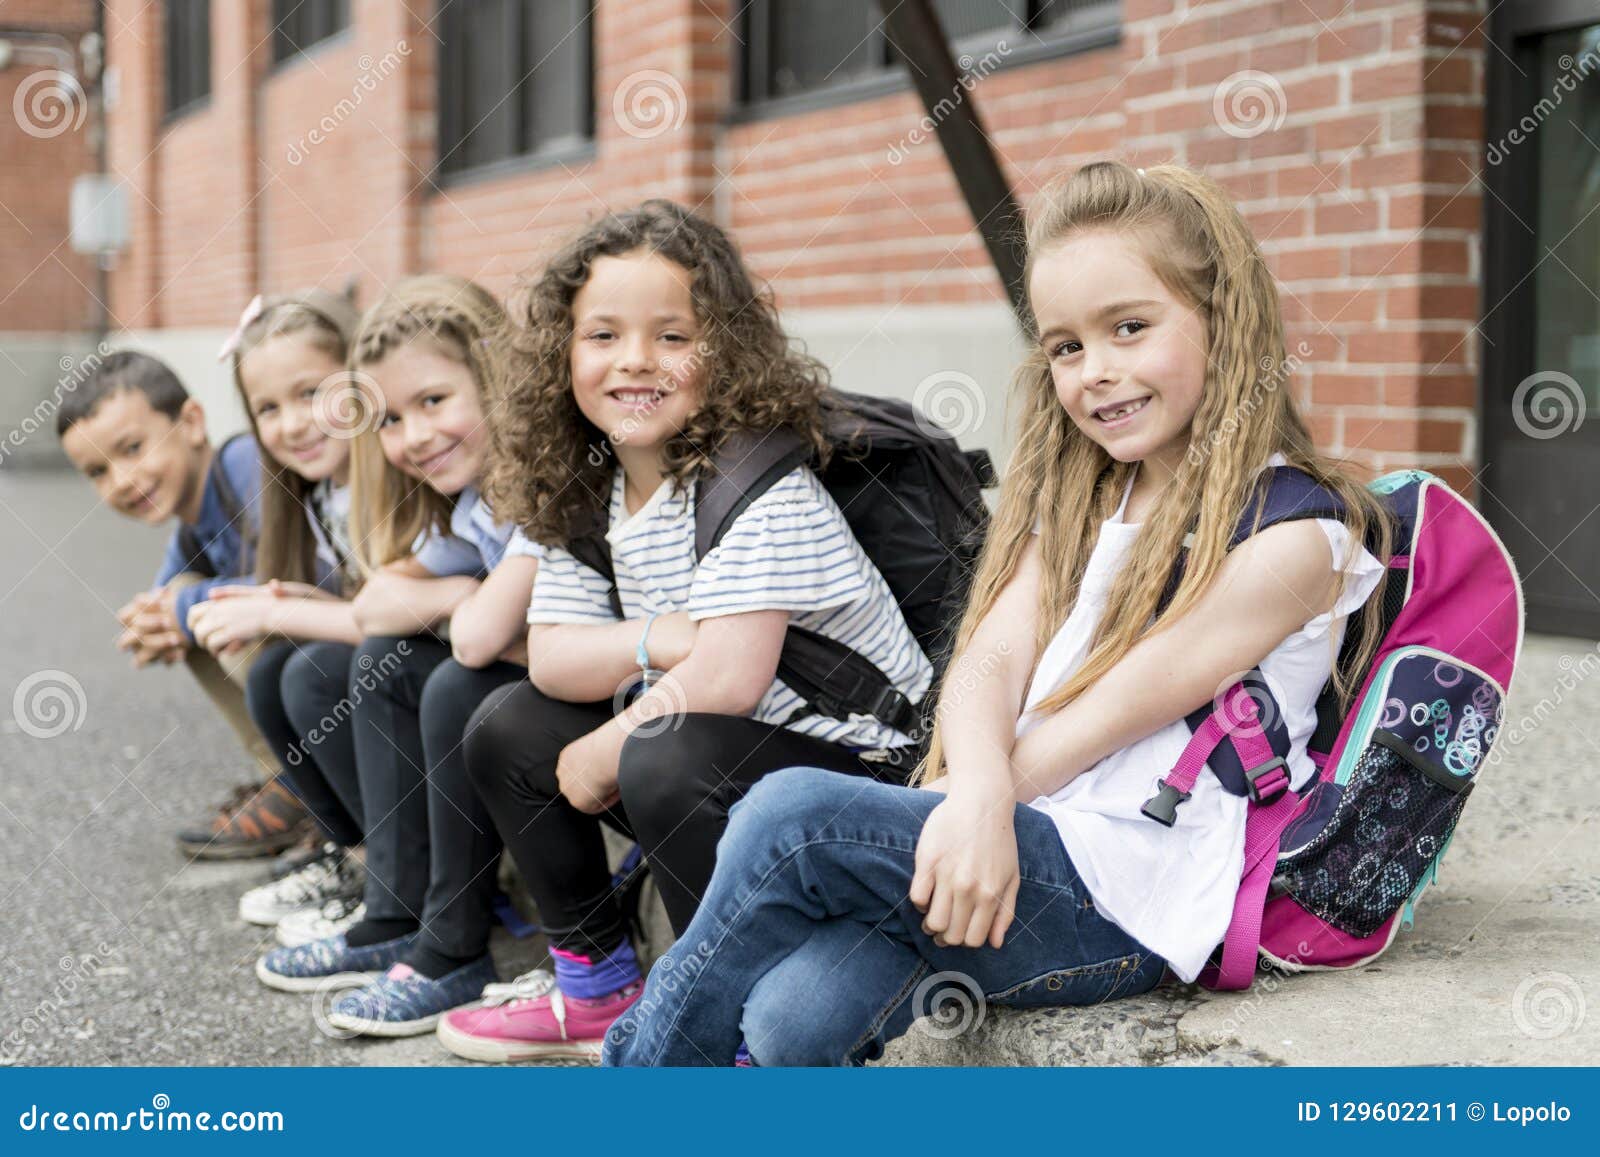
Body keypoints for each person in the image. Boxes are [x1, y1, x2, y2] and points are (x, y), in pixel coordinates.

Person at [602, 161, 1395, 1067]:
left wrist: (965, 803)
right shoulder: (1082, 501)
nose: (1097, 372)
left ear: (1225, 321)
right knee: (793, 1017)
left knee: (790, 817)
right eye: (1066, 347)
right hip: (1006, 837)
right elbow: (986, 664)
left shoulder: (1295, 535)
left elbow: (1107, 716)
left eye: (1130, 329)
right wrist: (974, 792)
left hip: (1127, 891)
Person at [436, 200, 932, 1063]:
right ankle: (596, 985)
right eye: (603, 336)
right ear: (561, 352)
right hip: (731, 750)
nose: (636, 361)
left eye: (673, 336)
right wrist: (661, 636)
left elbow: (729, 679)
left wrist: (607, 745)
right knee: (507, 726)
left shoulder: (754, 483)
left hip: (864, 775)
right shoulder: (583, 487)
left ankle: (732, 1017)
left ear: (725, 352)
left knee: (659, 749)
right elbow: (552, 657)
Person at [254, 276, 539, 1039]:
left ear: (495, 381)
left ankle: (451, 950)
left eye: (434, 402)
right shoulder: (469, 500)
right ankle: (395, 913)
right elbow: (380, 600)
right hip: (545, 674)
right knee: (374, 657)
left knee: (448, 679)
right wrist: (455, 598)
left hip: (623, 700)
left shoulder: (540, 488)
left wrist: (458, 609)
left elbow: (481, 641)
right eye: (389, 418)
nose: (413, 436)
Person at [57, 350, 313, 859]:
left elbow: (295, 579)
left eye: (132, 448)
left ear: (192, 422)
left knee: (205, 615)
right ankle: (291, 782)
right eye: (97, 472)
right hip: (311, 654)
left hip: (349, 649)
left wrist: (179, 611)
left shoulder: (242, 466)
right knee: (184, 609)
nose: (121, 481)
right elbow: (167, 594)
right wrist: (154, 620)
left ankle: (321, 787)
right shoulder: (190, 516)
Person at [195, 289, 372, 938]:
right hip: (399, 665)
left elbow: (408, 620)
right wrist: (280, 605)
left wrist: (281, 607)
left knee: (310, 673)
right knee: (275, 668)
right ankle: (354, 857)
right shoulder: (319, 492)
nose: (293, 423)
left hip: (442, 686)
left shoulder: (397, 477)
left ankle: (399, 878)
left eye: (309, 393)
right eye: (268, 408)